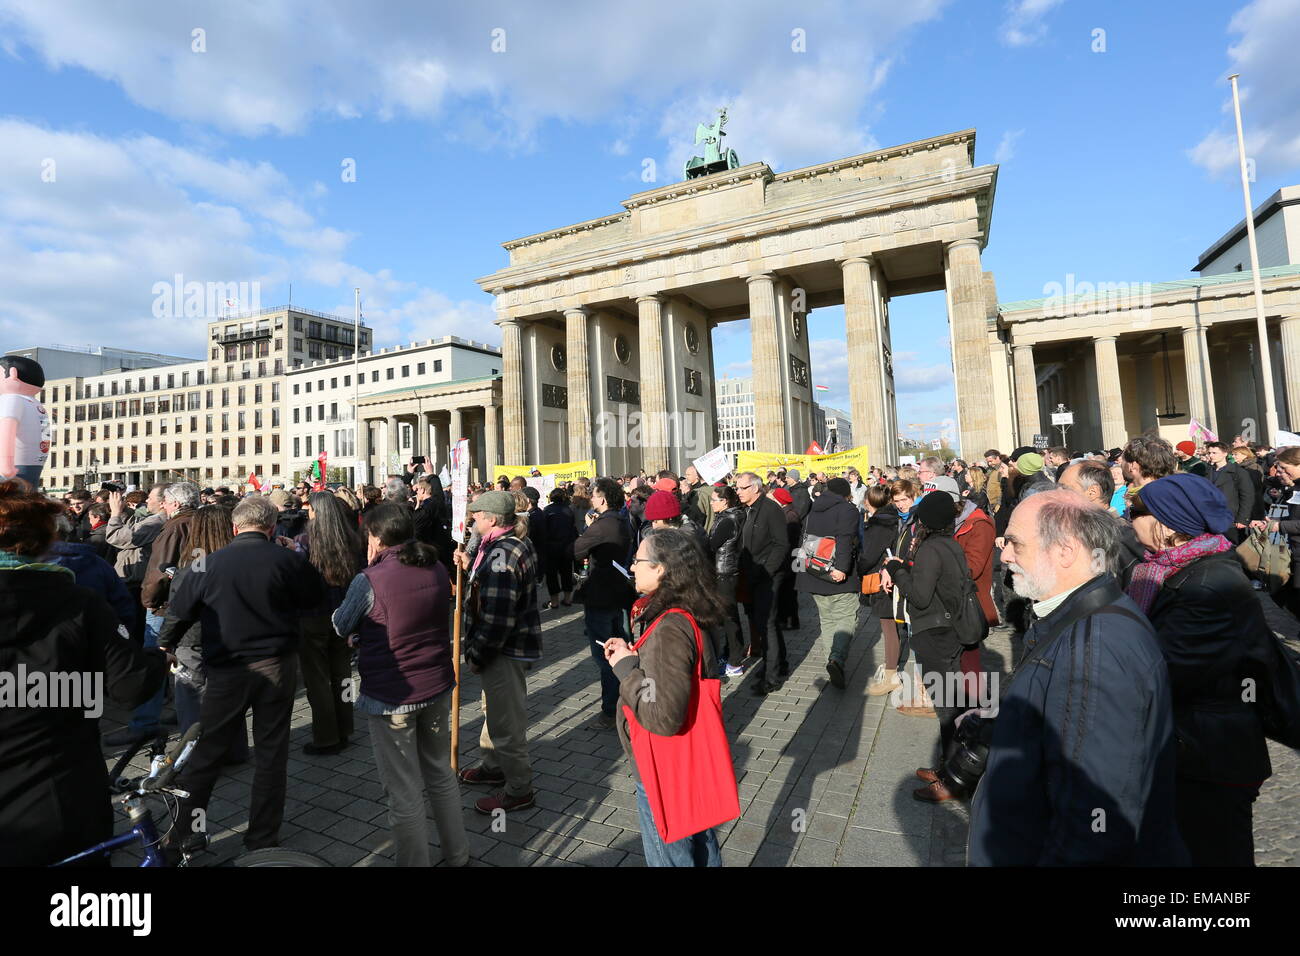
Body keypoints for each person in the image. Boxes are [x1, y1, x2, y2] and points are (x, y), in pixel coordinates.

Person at [968, 492, 1187, 865]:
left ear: (1065, 551)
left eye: (1015, 544)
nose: (1004, 555)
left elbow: (1093, 818)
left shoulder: (1095, 648)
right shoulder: (1081, 620)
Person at [0, 480, 168, 866]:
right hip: (59, 792)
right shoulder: (77, 601)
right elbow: (130, 686)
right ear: (45, 540)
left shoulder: (78, 600)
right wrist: (157, 659)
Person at [166, 495, 326, 854]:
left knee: (207, 754)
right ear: (271, 528)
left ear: (236, 528)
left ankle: (180, 835)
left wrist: (166, 645)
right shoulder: (287, 559)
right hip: (276, 663)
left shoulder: (207, 563)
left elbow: (179, 612)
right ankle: (262, 838)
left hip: (227, 669)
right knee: (271, 753)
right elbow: (316, 598)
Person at [1125, 474, 1272, 866]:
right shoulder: (1164, 570)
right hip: (1192, 749)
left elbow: (1165, 672)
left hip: (1211, 758)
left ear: (1167, 523)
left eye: (1135, 511)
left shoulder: (1207, 583)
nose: (1127, 519)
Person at [332, 503, 469, 867]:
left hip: (393, 694)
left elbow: (341, 624)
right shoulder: (437, 567)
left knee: (403, 790)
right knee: (440, 774)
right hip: (437, 683)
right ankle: (457, 855)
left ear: (376, 538)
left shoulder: (370, 579)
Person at [605, 528, 728, 867]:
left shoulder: (670, 625)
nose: (631, 567)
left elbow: (662, 715)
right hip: (688, 756)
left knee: (670, 851)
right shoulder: (686, 609)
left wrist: (626, 669)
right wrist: (634, 656)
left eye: (638, 561)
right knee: (699, 836)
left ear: (660, 569)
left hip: (663, 760)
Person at [453, 490, 542, 814]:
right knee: (494, 710)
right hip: (504, 648)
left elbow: (497, 618)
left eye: (477, 515)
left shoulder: (503, 553)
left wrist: (477, 654)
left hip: (504, 650)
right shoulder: (501, 546)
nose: (472, 519)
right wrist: (467, 564)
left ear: (491, 519)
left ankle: (519, 788)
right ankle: (494, 766)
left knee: (506, 723)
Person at [881, 491, 972, 801]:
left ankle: (954, 780)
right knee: (950, 702)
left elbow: (919, 596)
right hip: (949, 631)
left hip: (935, 634)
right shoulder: (951, 545)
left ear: (925, 521)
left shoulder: (931, 549)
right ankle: (948, 768)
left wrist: (896, 570)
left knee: (947, 708)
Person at [156, 506, 249, 764]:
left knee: (192, 702)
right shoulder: (240, 563)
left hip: (194, 643)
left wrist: (164, 643)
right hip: (231, 642)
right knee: (229, 699)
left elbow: (178, 611)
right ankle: (235, 751)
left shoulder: (193, 569)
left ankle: (196, 757)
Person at [294, 492, 364, 755]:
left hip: (313, 615)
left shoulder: (304, 541)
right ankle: (346, 727)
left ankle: (326, 736)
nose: (307, 513)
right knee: (342, 674)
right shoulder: (351, 539)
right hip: (343, 615)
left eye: (310, 509)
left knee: (318, 680)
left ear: (317, 512)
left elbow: (299, 579)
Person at [572, 477, 634, 728]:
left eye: (594, 495)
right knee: (622, 646)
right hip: (618, 591)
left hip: (602, 593)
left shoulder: (602, 525)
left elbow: (576, 549)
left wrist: (588, 529)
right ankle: (625, 702)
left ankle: (611, 710)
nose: (591, 499)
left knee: (606, 654)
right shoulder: (621, 520)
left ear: (604, 499)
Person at [795, 477, 860, 689]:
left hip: (814, 572)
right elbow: (844, 538)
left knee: (827, 620)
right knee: (846, 616)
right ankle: (836, 659)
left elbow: (804, 539)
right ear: (845, 493)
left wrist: (801, 568)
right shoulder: (847, 509)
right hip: (836, 573)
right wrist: (841, 568)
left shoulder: (813, 507)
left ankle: (830, 663)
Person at [736, 472, 791, 695]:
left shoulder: (771, 509)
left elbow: (781, 544)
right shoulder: (746, 510)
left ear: (755, 488)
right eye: (737, 487)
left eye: (742, 487)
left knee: (766, 623)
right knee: (763, 622)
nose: (737, 491)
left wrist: (767, 571)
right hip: (750, 575)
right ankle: (779, 663)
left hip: (768, 576)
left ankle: (771, 677)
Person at [104, 484, 167, 645]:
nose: (147, 500)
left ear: (162, 502)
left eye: (150, 498)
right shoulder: (154, 520)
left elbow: (117, 537)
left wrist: (116, 514)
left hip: (135, 585)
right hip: (137, 582)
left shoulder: (156, 522)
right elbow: (136, 524)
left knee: (131, 634)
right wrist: (123, 508)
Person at [859, 483, 904, 696]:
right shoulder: (891, 518)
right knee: (892, 625)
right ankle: (890, 666)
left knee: (888, 626)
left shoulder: (879, 524)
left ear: (871, 501)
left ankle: (891, 674)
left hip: (883, 579)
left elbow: (868, 556)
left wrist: (857, 568)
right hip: (892, 575)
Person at [707, 483, 747, 676]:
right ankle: (732, 652)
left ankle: (735, 661)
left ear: (724, 501)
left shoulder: (727, 520)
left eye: (714, 500)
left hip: (724, 572)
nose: (711, 503)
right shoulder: (734, 515)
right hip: (728, 571)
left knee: (728, 617)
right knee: (729, 616)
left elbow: (712, 545)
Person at [1205, 441, 1253, 544]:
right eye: (1209, 453)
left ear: (1225, 453)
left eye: (1214, 453)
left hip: (1232, 517)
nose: (1211, 455)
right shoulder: (1208, 471)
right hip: (1212, 517)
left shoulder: (1238, 472)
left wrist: (1242, 518)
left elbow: (1247, 496)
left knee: (1234, 548)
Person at [771, 488, 802, 630]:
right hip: (791, 557)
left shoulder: (790, 515)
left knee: (789, 590)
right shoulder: (787, 512)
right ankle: (787, 620)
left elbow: (790, 541)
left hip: (792, 557)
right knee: (787, 590)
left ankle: (790, 620)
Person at [541, 487, 578, 608]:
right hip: (567, 546)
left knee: (551, 575)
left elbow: (544, 530)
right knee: (566, 573)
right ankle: (567, 599)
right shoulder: (569, 510)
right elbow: (573, 528)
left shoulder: (547, 510)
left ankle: (554, 601)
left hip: (551, 547)